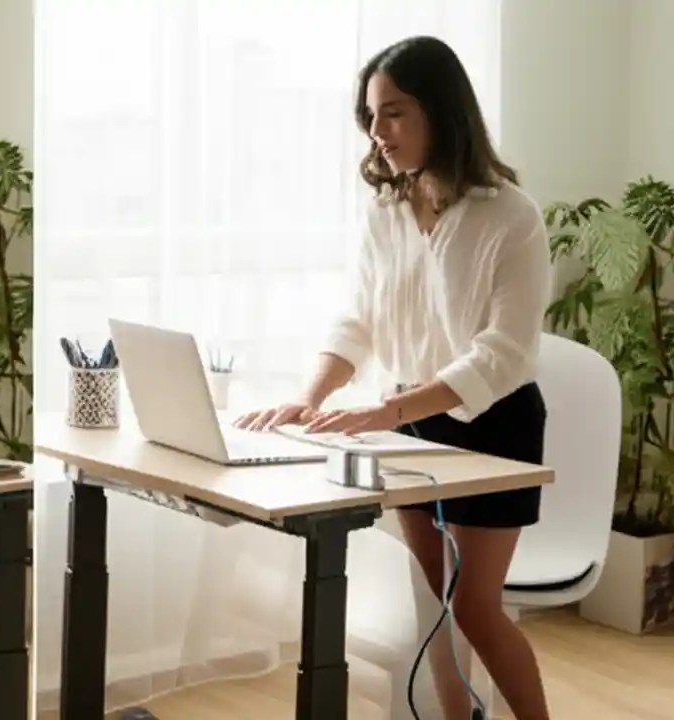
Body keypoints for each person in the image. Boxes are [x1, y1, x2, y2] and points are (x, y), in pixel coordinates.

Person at [234, 36, 552, 720]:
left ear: (442, 109)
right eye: (371, 116)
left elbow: (503, 352)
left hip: (495, 423)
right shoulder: (386, 212)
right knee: (437, 604)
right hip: (410, 421)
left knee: (474, 607)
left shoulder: (512, 216)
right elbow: (360, 320)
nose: (378, 132)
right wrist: (307, 398)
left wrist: (388, 411)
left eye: (395, 112)